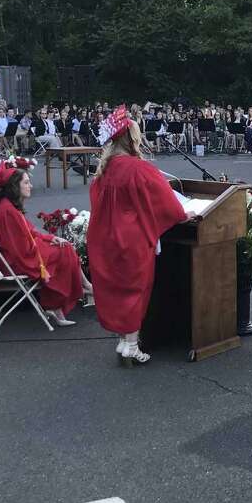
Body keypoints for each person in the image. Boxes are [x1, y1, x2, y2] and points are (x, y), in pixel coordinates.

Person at [87, 106, 189, 364]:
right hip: (131, 238)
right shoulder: (138, 169)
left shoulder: (105, 169)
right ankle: (132, 345)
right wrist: (184, 214)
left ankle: (124, 340)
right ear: (131, 138)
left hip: (107, 237)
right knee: (135, 289)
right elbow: (170, 206)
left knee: (119, 290)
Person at [0, 159, 91, 326]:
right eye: (26, 182)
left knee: (63, 247)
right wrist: (42, 255)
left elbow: (29, 233)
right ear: (15, 186)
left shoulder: (8, 207)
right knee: (64, 251)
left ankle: (74, 293)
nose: (31, 186)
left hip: (15, 254)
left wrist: (51, 238)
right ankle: (63, 300)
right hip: (16, 261)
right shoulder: (8, 211)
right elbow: (22, 248)